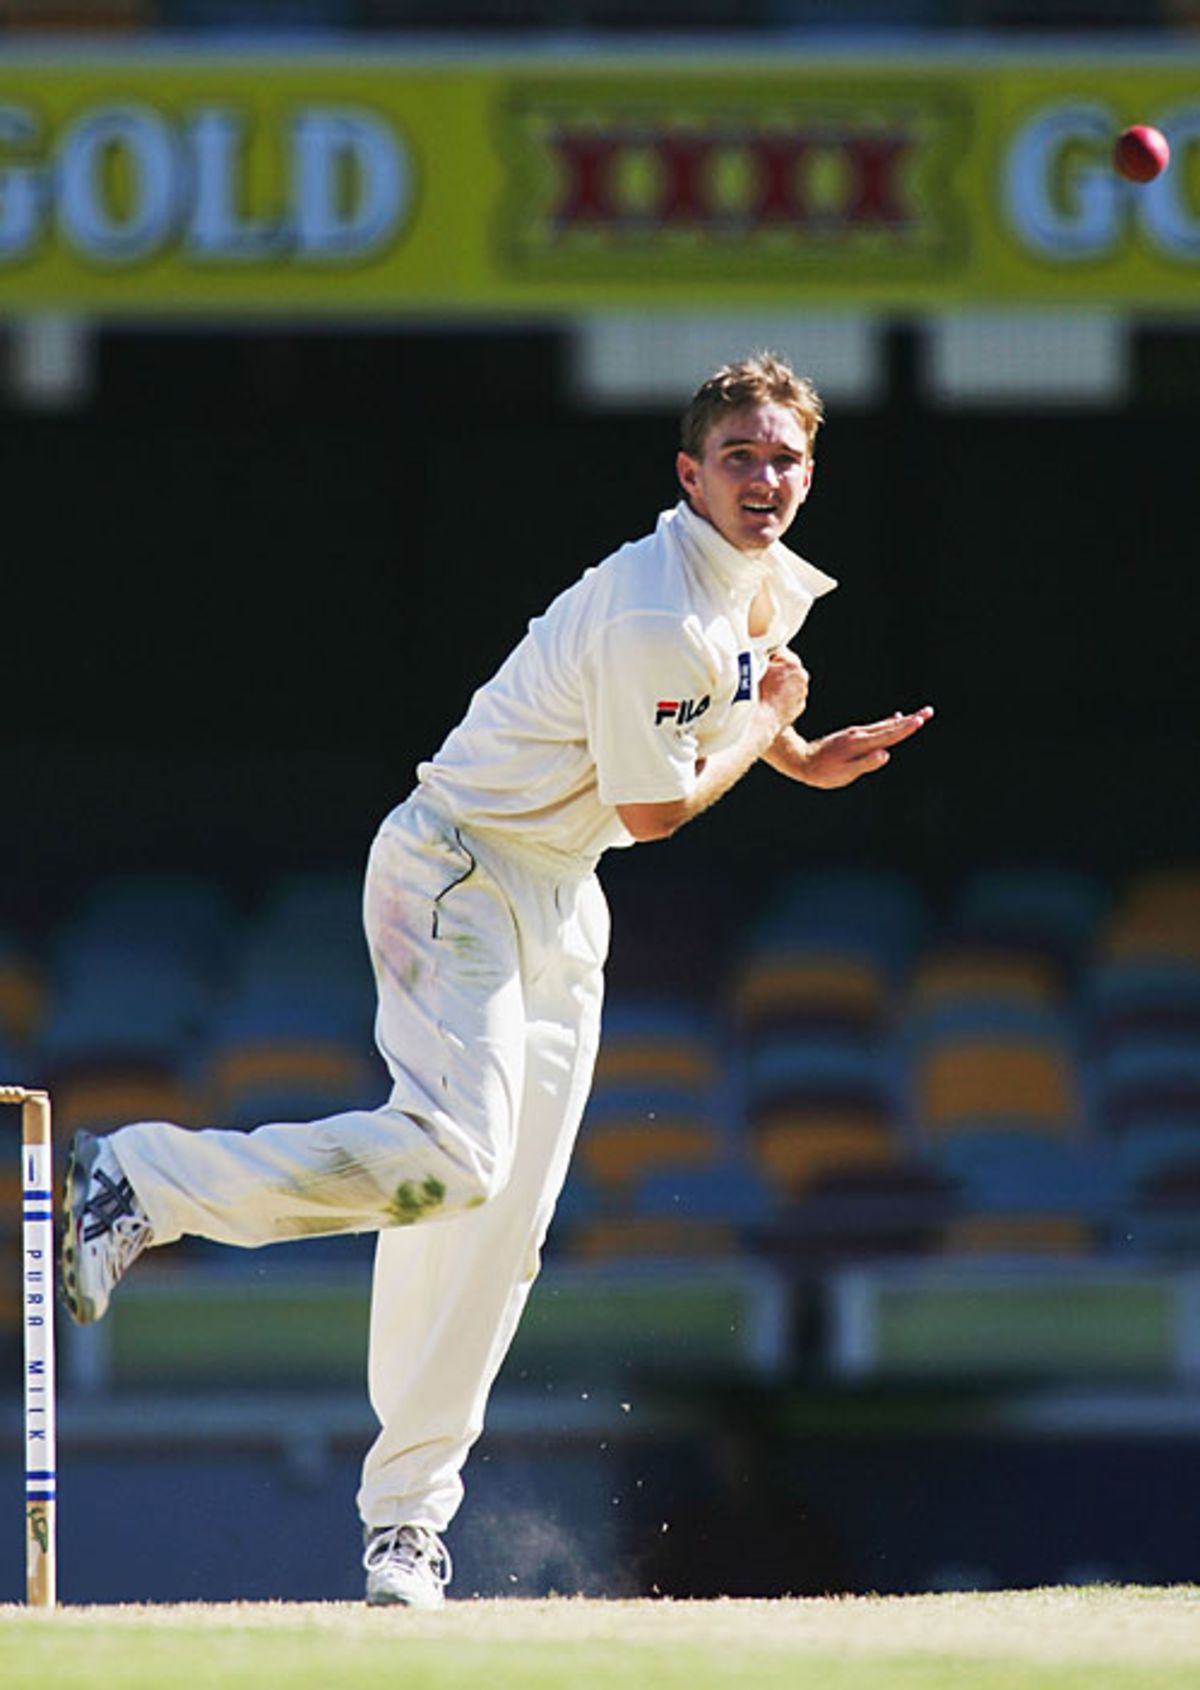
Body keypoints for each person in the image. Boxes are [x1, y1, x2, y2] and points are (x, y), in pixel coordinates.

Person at [60, 352, 932, 1608]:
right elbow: (655, 803)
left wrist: (795, 750)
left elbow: (723, 708)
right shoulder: (656, 608)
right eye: (739, 458)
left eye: (786, 457)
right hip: (455, 866)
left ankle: (405, 1526)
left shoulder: (757, 584)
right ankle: (142, 1179)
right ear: (689, 474)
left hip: (559, 897)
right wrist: (760, 739)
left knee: (498, 1226)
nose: (766, 479)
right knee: (453, 1163)